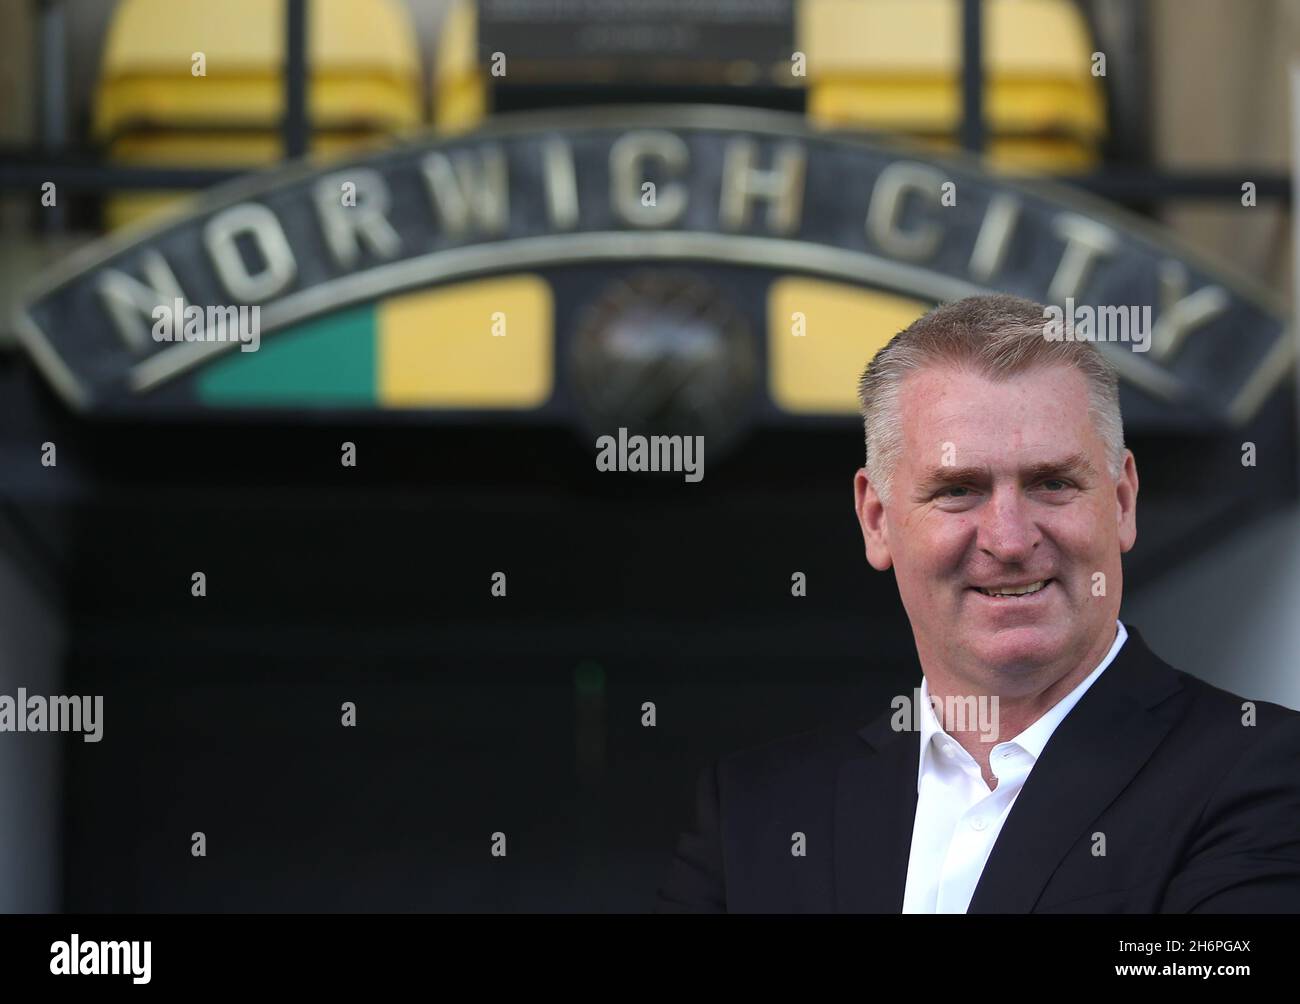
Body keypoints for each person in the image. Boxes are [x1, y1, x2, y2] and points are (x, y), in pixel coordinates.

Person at [654, 294, 1300, 913]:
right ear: (877, 520)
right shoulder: (756, 813)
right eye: (958, 490)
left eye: (1053, 483)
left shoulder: (1262, 772)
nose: (1010, 539)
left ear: (1123, 502)